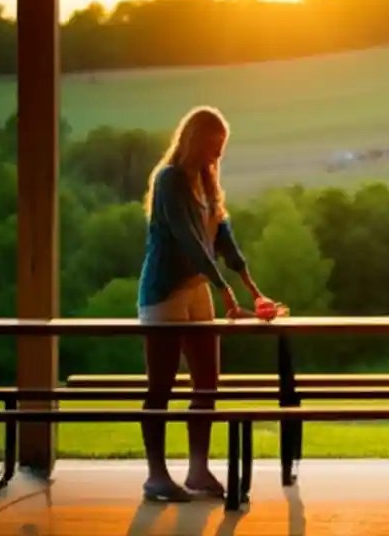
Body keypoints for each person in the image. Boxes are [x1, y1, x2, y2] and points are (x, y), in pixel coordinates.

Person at [136, 106, 277, 502]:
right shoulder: (169, 180)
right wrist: (224, 289)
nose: (218, 154)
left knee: (207, 383)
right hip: (164, 293)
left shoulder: (208, 180)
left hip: (198, 289)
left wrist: (254, 290)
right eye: (214, 145)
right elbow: (188, 239)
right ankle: (156, 476)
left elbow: (223, 237)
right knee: (160, 386)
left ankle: (198, 470)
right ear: (194, 140)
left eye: (222, 147)